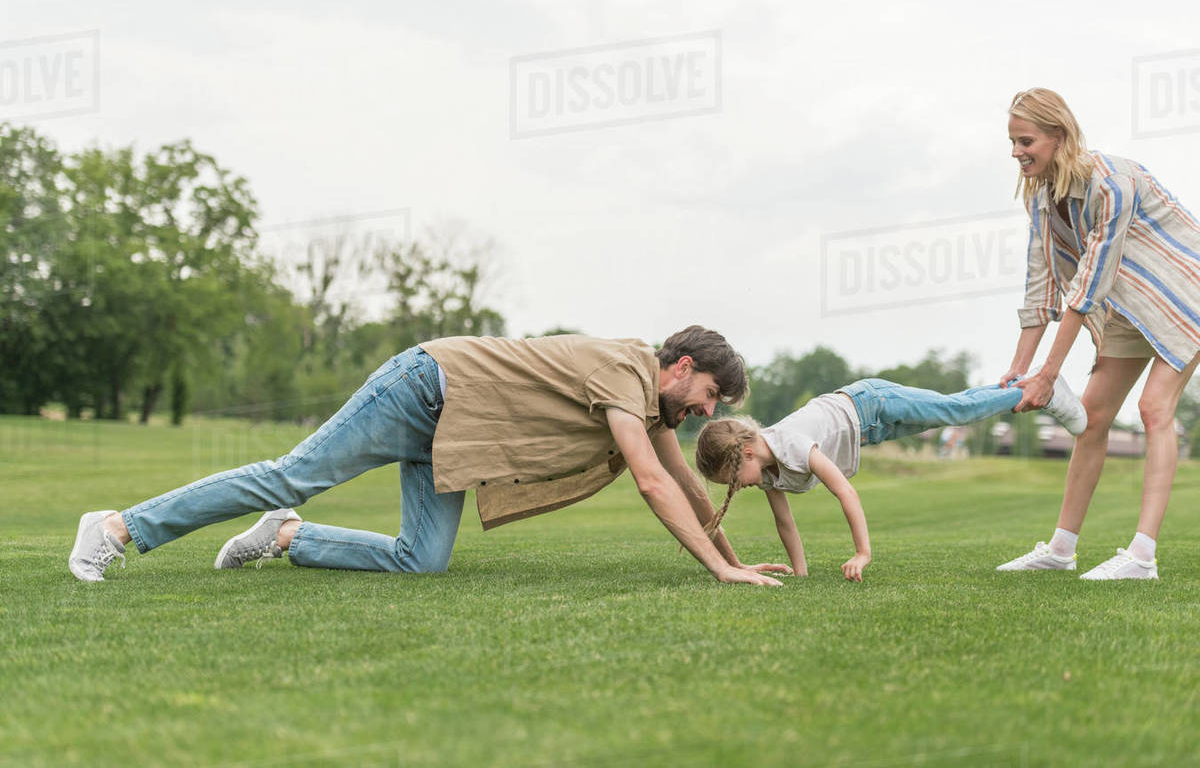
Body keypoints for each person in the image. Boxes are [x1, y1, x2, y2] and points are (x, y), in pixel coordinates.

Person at [69, 326, 788, 586]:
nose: (709, 412)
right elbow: (653, 484)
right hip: (424, 389)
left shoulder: (653, 404)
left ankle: (286, 536)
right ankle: (116, 527)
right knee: (293, 473)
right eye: (710, 394)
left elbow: (687, 487)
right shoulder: (624, 370)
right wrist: (719, 569)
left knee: (422, 559)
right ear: (682, 365)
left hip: (457, 432)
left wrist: (734, 560)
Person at [995, 87, 1200, 580]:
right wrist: (1019, 372)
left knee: (1154, 409)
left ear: (1058, 135)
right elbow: (1042, 284)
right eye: (1013, 142)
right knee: (1091, 418)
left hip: (1184, 293)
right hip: (1128, 307)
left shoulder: (1112, 184)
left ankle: (1142, 557)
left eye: (1026, 141)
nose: (1017, 152)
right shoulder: (1041, 199)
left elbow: (1088, 285)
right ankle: (1061, 550)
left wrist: (1049, 374)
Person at [691, 375, 1087, 581]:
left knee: (955, 412)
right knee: (951, 407)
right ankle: (1019, 384)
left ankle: (1043, 388)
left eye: (733, 479)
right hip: (871, 430)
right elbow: (785, 522)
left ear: (746, 453)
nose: (737, 487)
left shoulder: (791, 445)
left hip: (873, 403)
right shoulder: (766, 472)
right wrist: (800, 573)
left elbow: (845, 492)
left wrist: (862, 553)